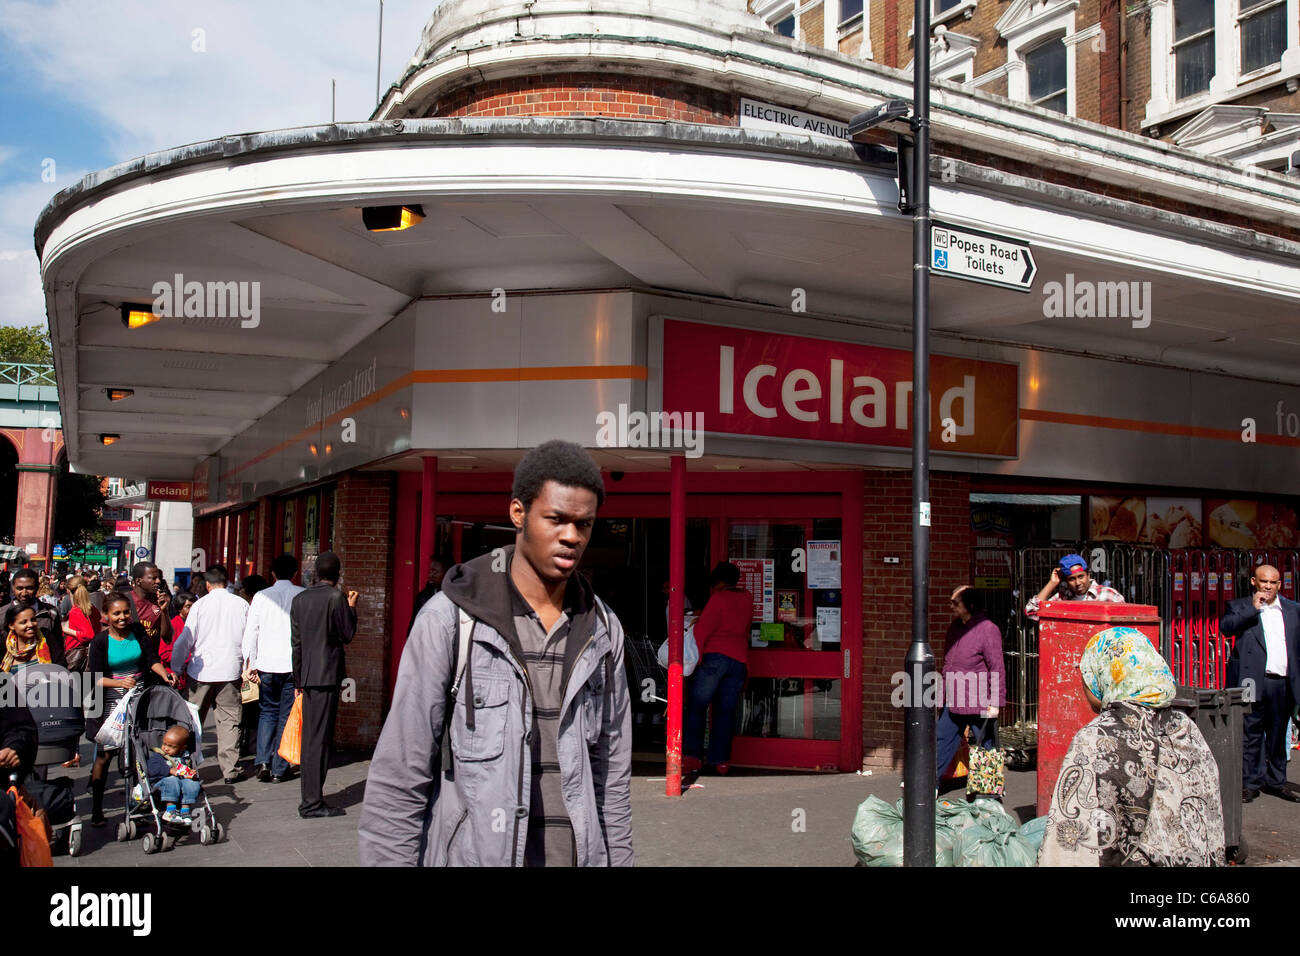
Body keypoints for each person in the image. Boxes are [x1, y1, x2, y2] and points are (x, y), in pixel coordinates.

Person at [359, 440, 633, 866]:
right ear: (518, 513)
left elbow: (612, 781)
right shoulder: (451, 621)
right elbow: (400, 776)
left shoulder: (602, 630)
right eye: (556, 519)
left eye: (584, 524)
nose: (571, 537)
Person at [1038, 626, 1224, 866]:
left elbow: (1069, 845)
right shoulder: (1185, 728)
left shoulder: (1098, 737)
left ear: (1107, 674)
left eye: (1087, 673)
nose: (1084, 684)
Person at [86, 592, 175, 826]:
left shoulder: (138, 631)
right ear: (106, 616)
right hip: (110, 703)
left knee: (139, 753)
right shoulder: (100, 642)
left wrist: (164, 674)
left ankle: (141, 803)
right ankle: (96, 809)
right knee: (105, 756)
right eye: (116, 613)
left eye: (126, 612)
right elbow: (93, 679)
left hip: (139, 698)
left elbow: (151, 658)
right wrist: (118, 683)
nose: (123, 617)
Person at [1222, 564, 1300, 803]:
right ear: (1254, 582)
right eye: (1264, 582)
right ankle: (1250, 783)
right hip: (1252, 679)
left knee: (1278, 733)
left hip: (1283, 681)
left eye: (1273, 582)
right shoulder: (1240, 606)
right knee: (1251, 733)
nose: (1268, 586)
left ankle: (1276, 781)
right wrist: (1253, 610)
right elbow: (1226, 628)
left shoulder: (1293, 609)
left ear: (1280, 585)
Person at [290, 553, 356, 818]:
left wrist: (297, 680)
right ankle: (312, 803)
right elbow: (347, 634)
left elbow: (296, 644)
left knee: (310, 740)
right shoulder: (335, 597)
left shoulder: (300, 599)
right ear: (338, 573)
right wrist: (351, 607)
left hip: (307, 676)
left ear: (315, 572)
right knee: (319, 741)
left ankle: (311, 798)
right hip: (326, 676)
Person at [170, 567, 249, 784]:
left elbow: (185, 639)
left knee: (192, 720)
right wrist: (248, 665)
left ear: (207, 584)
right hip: (230, 670)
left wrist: (176, 668)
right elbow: (249, 637)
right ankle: (230, 769)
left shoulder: (200, 605)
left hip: (201, 671)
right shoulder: (241, 604)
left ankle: (187, 765)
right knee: (230, 720)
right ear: (227, 581)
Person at [683, 561, 753, 776]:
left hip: (715, 658)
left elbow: (703, 630)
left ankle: (692, 758)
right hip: (739, 659)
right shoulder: (747, 598)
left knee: (697, 707)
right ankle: (721, 761)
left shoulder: (718, 598)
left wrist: (694, 628)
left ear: (718, 582)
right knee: (725, 712)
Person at [242, 555, 304, 783]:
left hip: (266, 665)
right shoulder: (302, 594)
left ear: (273, 574)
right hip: (292, 665)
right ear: (296, 572)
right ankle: (280, 767)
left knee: (267, 712)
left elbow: (252, 631)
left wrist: (250, 663)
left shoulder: (261, 596)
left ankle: (262, 762)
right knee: (286, 716)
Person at [935, 586, 1006, 780]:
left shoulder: (987, 629)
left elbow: (997, 667)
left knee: (986, 746)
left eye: (955, 602)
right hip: (954, 696)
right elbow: (948, 663)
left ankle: (989, 794)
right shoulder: (955, 627)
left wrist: (995, 702)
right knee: (941, 740)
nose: (951, 606)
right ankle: (927, 787)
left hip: (979, 699)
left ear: (971, 605)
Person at [1023, 552, 1124, 621]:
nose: (1078, 583)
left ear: (1088, 575)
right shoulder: (1062, 598)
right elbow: (1031, 612)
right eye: (1072, 579)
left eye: (1081, 576)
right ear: (1066, 581)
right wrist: (1052, 583)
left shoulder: (1108, 595)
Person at [0, 568, 65, 666]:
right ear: (13, 588)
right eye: (20, 588)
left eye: (29, 588)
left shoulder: (50, 613)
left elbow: (58, 647)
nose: (24, 593)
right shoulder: (2, 613)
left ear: (37, 587)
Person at [145, 725, 202, 823]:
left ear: (182, 748)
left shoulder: (185, 757)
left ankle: (185, 811)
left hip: (180, 782)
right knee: (172, 780)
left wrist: (191, 773)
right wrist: (169, 770)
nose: (166, 748)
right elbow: (152, 770)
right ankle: (170, 810)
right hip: (161, 783)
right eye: (165, 744)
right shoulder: (159, 756)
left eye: (171, 746)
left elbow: (186, 770)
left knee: (193, 783)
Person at [60, 576, 100, 672]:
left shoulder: (76, 611)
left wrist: (67, 630)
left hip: (77, 657)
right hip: (90, 656)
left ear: (69, 591)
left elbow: (89, 635)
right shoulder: (92, 608)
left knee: (77, 686)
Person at [1, 606, 53, 672]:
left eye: (33, 620)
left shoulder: (47, 639)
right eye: (23, 622)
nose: (30, 625)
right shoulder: (4, 646)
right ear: (11, 625)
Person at [407, 557, 447, 634]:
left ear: (446, 573)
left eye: (435, 572)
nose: (430, 575)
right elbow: (414, 622)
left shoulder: (454, 597)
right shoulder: (423, 596)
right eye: (430, 571)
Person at [164, 591, 196, 678]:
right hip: (177, 675)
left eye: (194, 606)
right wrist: (189, 657)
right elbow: (165, 653)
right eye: (188, 606)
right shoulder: (173, 625)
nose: (192, 610)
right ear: (179, 608)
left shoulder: (197, 624)